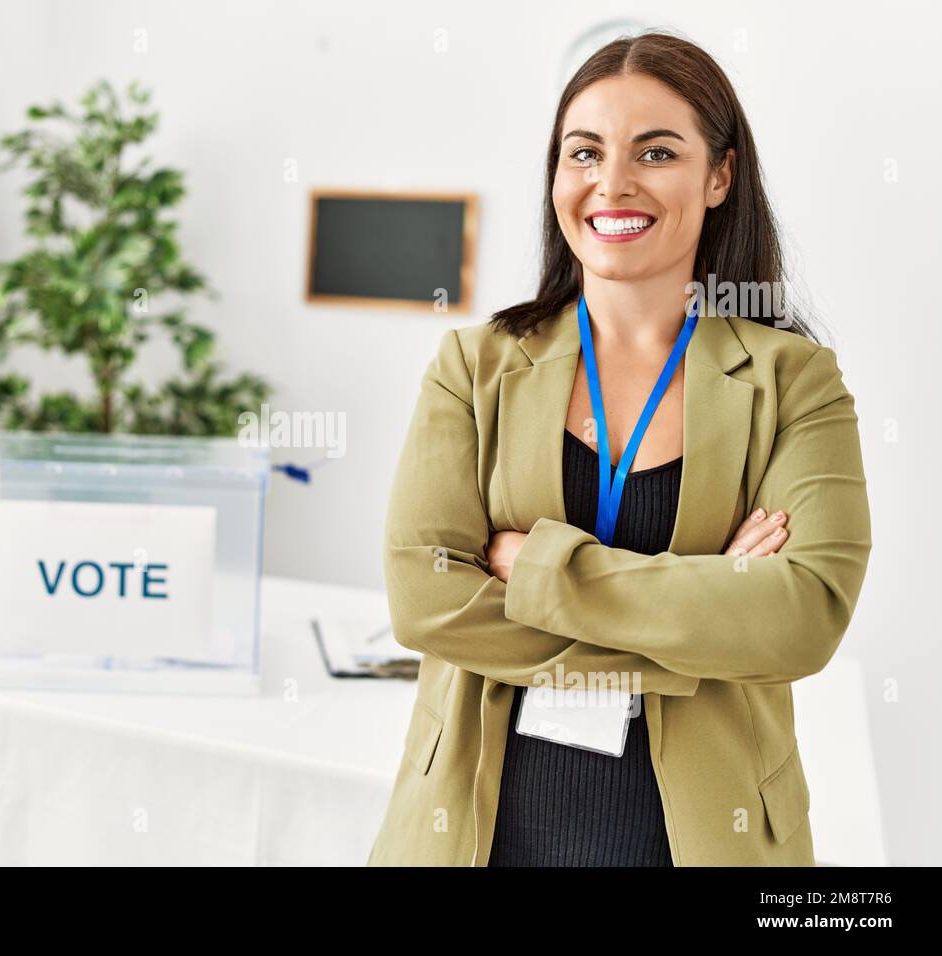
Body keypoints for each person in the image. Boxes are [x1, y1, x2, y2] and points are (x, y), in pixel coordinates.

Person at [367, 31, 872, 867]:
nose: (613, 183)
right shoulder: (475, 366)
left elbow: (801, 617)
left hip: (706, 841)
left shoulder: (795, 380)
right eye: (585, 152)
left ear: (720, 176)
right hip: (479, 834)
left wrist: (537, 572)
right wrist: (707, 620)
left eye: (657, 151)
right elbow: (425, 602)